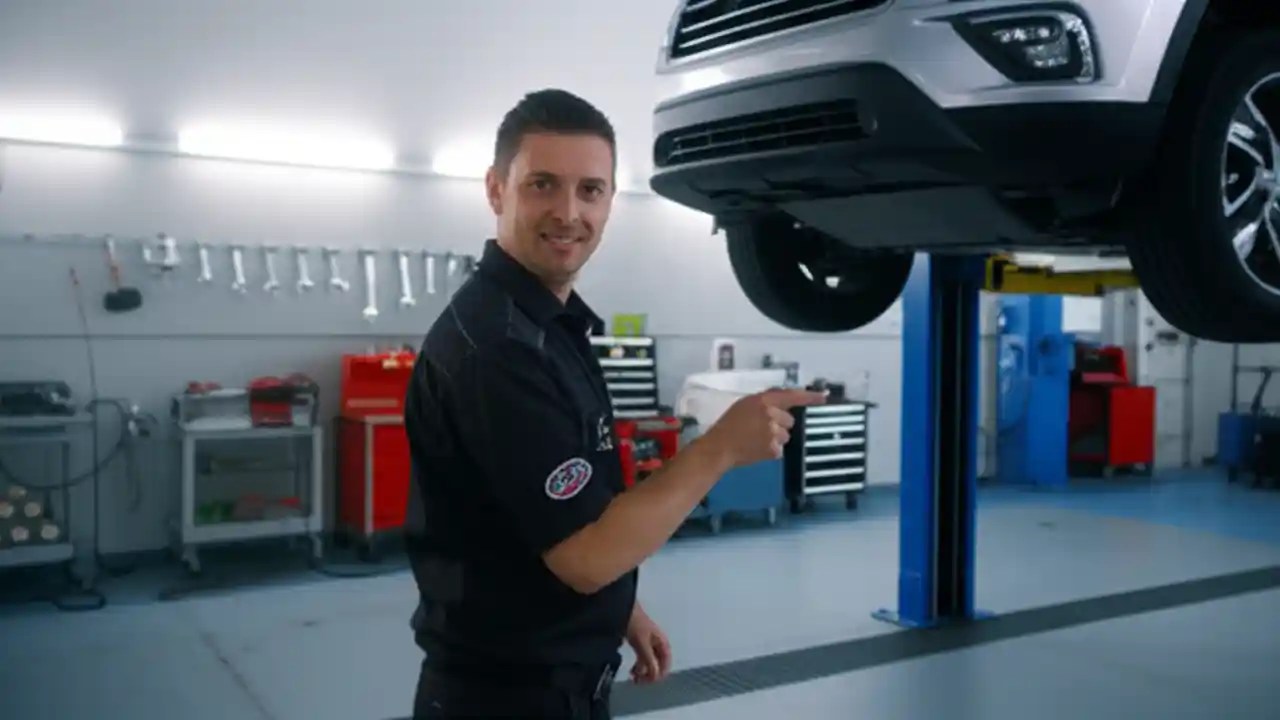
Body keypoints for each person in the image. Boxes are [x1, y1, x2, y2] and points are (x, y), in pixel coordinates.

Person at [402, 88, 828, 719]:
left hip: (556, 684)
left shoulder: (549, 327)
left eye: (591, 190)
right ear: (496, 189)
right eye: (542, 184)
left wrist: (620, 611)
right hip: (505, 699)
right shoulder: (500, 348)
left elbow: (549, 518)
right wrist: (717, 450)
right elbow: (585, 557)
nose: (569, 212)